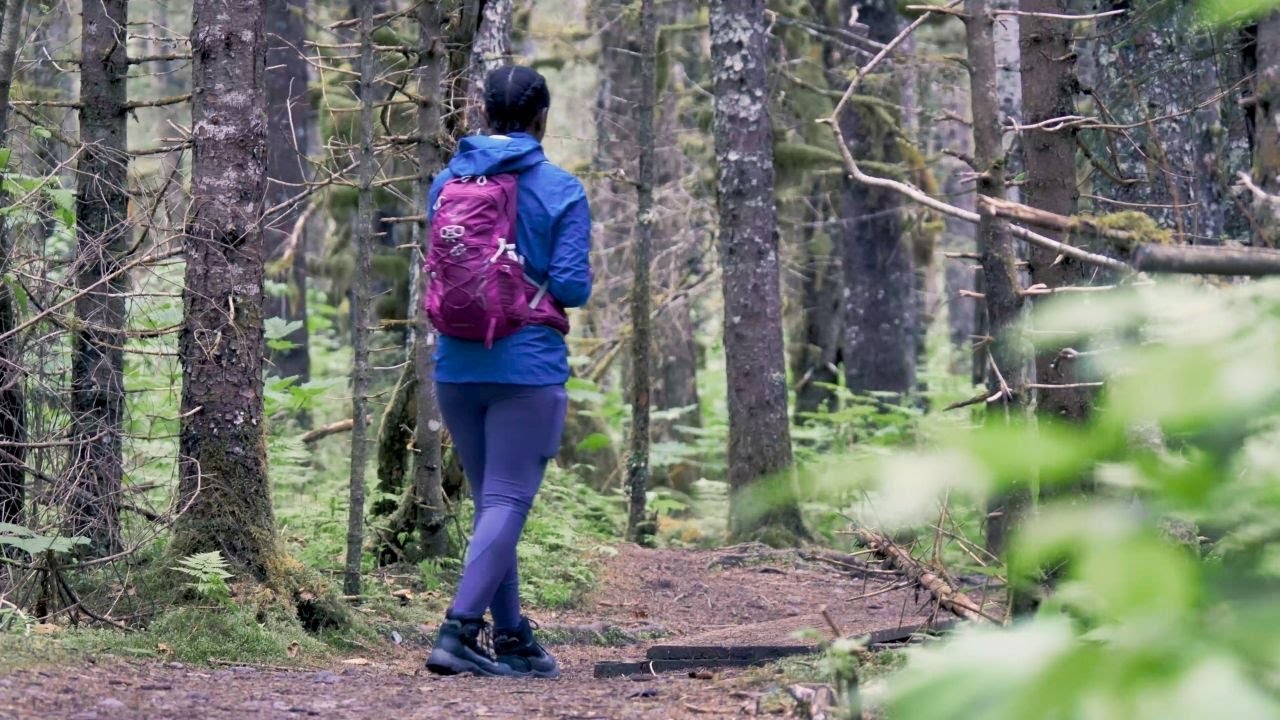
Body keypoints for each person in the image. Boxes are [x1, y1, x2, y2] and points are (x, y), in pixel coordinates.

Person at [424, 65, 592, 679]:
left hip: (456, 366)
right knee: (505, 500)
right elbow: (571, 286)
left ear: (483, 111)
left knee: (493, 504)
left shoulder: (446, 182)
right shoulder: (561, 188)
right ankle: (458, 632)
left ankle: (514, 638)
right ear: (542, 116)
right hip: (527, 368)